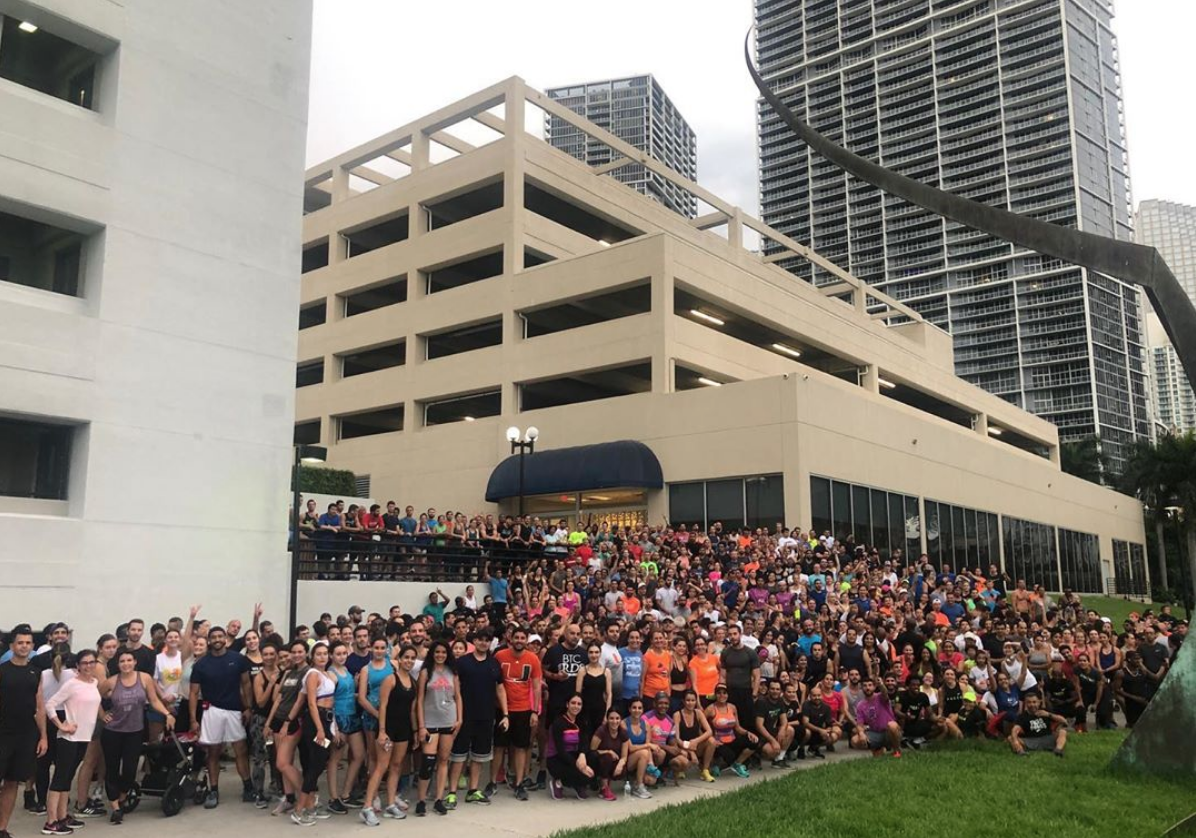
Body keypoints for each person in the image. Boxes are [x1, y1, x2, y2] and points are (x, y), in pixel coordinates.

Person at [98, 650, 176, 824]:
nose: (126, 664)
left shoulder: (144, 678)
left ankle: (123, 797)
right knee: (111, 769)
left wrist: (166, 713)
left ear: (134, 662)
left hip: (135, 731)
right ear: (118, 664)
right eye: (122, 661)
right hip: (113, 732)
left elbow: (154, 700)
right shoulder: (111, 682)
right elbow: (96, 696)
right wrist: (103, 715)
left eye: (129, 660)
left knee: (130, 770)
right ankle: (116, 808)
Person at [187, 625, 254, 809]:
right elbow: (193, 693)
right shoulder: (201, 664)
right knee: (213, 752)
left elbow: (246, 684)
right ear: (209, 640)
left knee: (240, 750)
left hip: (235, 711)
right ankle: (213, 790)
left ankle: (248, 788)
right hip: (211, 712)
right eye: (213, 637)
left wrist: (248, 707)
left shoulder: (238, 659)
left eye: (220, 636)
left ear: (225, 638)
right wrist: (193, 719)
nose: (217, 639)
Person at [41, 648, 102, 835]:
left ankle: (62, 815)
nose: (89, 666)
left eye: (92, 662)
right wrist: (61, 725)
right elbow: (50, 704)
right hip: (69, 737)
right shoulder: (71, 684)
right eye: (85, 663)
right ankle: (51, 821)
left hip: (84, 737)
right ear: (77, 666)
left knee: (68, 777)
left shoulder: (94, 682)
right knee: (60, 778)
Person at [448, 629, 507, 809]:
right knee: (459, 756)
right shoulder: (462, 663)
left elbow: (500, 689)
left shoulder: (494, 663)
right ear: (474, 641)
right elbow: (454, 690)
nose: (483, 643)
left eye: (487, 640)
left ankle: (473, 791)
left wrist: (505, 714)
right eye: (480, 640)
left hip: (486, 716)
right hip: (464, 716)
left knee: (479, 756)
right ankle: (451, 793)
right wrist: (456, 715)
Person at [494, 628, 541, 801]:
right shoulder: (499, 656)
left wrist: (535, 711)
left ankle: (519, 783)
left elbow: (536, 687)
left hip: (524, 709)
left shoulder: (533, 659)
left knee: (521, 748)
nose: (519, 640)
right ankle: (492, 782)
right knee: (499, 747)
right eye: (517, 637)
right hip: (502, 709)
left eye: (523, 638)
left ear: (526, 640)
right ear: (511, 639)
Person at [414, 640, 460, 816]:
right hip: (430, 722)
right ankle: (421, 800)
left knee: (443, 760)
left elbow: (458, 696)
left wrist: (459, 719)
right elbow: (419, 700)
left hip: (448, 720)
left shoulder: (452, 672)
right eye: (437, 652)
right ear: (432, 653)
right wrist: (421, 726)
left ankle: (439, 798)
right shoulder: (426, 672)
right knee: (427, 761)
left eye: (443, 652)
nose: (440, 655)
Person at [293, 643, 336, 827]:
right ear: (312, 656)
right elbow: (310, 703)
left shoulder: (327, 674)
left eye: (325, 654)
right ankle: (299, 809)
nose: (322, 657)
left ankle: (309, 806)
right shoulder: (312, 674)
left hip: (326, 720)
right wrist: (319, 729)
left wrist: (331, 727)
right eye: (318, 654)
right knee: (316, 764)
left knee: (319, 763)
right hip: (315, 721)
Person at [327, 641, 364, 814]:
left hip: (352, 716)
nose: (342, 656)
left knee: (358, 755)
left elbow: (349, 694)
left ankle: (346, 793)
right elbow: (329, 702)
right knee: (335, 758)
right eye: (338, 654)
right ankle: (334, 797)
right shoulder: (331, 675)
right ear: (331, 656)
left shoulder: (347, 671)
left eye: (344, 653)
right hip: (340, 718)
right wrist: (334, 726)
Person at [546, 695, 595, 800]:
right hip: (557, 758)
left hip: (574, 755)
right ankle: (558, 782)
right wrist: (581, 767)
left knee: (594, 759)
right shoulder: (558, 723)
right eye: (573, 703)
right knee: (584, 775)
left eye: (579, 704)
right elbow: (561, 751)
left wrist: (582, 755)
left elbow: (584, 741)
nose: (576, 706)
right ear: (567, 704)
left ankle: (578, 784)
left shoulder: (581, 721)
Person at [704, 685, 758, 778]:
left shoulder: (732, 707)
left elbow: (737, 727)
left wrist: (748, 733)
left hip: (732, 739)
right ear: (715, 695)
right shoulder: (710, 709)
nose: (722, 695)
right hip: (719, 743)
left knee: (754, 742)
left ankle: (736, 764)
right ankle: (718, 765)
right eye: (719, 693)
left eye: (724, 693)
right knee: (730, 756)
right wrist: (711, 740)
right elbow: (700, 727)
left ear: (728, 695)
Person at [720, 625, 760, 727]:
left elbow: (757, 676)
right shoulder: (725, 653)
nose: (732, 637)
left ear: (740, 634)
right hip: (730, 692)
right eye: (730, 634)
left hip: (746, 692)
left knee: (747, 721)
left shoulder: (750, 653)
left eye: (735, 634)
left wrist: (754, 693)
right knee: (730, 721)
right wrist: (722, 692)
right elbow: (723, 676)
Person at [852, 677, 902, 757]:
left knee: (892, 725)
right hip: (875, 733)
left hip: (889, 732)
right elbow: (859, 724)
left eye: (870, 685)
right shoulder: (860, 705)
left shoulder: (880, 697)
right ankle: (878, 749)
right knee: (854, 740)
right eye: (865, 686)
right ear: (861, 688)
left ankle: (897, 751)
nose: (867, 688)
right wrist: (861, 733)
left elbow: (885, 693)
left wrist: (881, 685)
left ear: (874, 687)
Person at [672, 690, 715, 782]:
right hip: (683, 748)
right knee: (682, 752)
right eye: (688, 700)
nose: (690, 703)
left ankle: (705, 770)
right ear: (683, 701)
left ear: (696, 701)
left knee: (712, 741)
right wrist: (691, 751)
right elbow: (677, 738)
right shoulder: (677, 715)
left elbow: (709, 731)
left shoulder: (698, 713)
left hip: (695, 745)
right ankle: (681, 768)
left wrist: (696, 741)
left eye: (693, 700)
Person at [1009, 692, 1067, 758]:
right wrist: (1016, 741)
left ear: (1038, 702)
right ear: (1026, 703)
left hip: (1048, 738)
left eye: (1034, 702)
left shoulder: (1045, 712)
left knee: (1063, 731)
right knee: (1011, 738)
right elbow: (1015, 729)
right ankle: (1021, 752)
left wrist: (1048, 715)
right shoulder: (1022, 716)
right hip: (1031, 740)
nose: (1032, 705)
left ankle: (1058, 750)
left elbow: (1064, 721)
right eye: (1029, 702)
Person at [574, 642, 611, 745]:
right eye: (591, 652)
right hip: (585, 710)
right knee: (585, 739)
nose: (594, 655)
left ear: (600, 653)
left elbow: (609, 694)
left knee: (599, 740)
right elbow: (577, 693)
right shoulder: (582, 670)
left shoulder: (606, 671)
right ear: (587, 654)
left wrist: (607, 714)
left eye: (596, 652)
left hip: (600, 709)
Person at [590, 708, 630, 801]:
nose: (614, 721)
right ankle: (604, 787)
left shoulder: (623, 733)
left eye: (617, 718)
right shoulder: (601, 731)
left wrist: (620, 765)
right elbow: (592, 751)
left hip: (613, 762)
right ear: (607, 719)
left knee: (622, 770)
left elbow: (624, 756)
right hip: (598, 761)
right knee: (607, 757)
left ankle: (607, 783)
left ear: (620, 720)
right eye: (611, 718)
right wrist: (608, 751)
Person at [754, 680, 793, 768]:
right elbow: (759, 726)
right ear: (768, 690)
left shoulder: (780, 701)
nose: (775, 691)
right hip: (760, 735)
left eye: (777, 689)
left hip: (772, 731)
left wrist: (782, 730)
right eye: (772, 689)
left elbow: (784, 721)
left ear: (781, 691)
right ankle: (756, 755)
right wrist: (773, 741)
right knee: (772, 752)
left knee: (790, 730)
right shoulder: (762, 702)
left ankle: (779, 760)